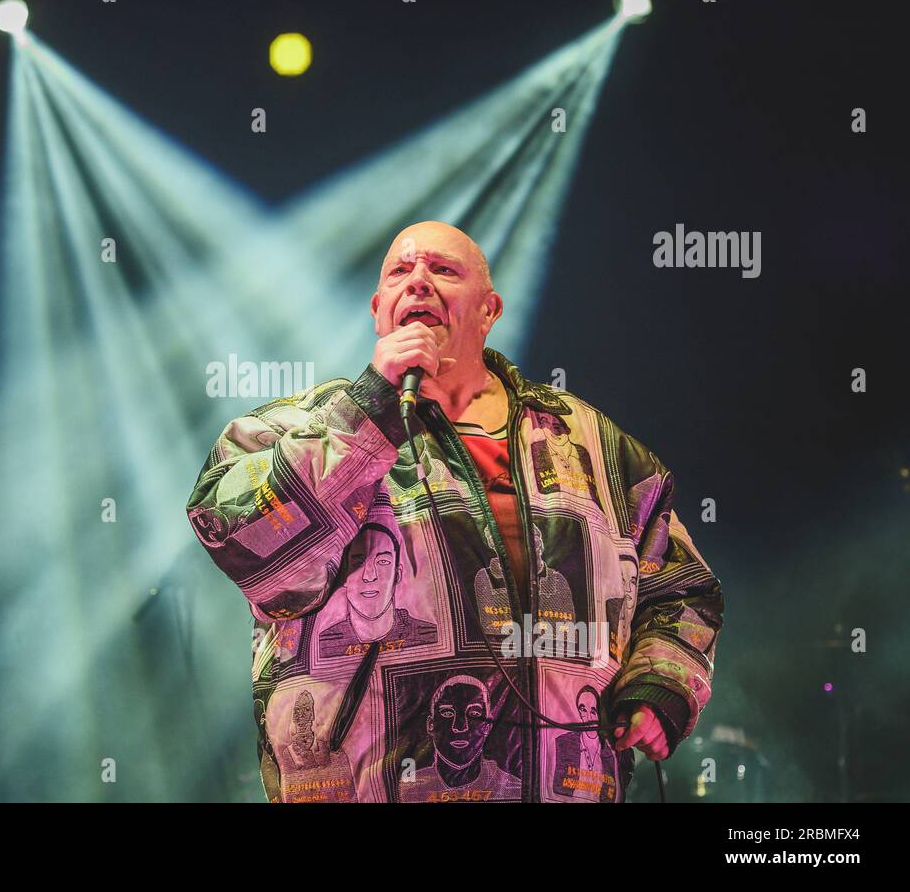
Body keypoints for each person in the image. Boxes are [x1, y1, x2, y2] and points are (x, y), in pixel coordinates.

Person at [186, 221, 725, 802]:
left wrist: (659, 685)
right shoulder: (297, 427)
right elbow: (244, 543)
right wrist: (369, 408)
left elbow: (680, 589)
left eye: (443, 270)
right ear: (377, 309)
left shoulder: (589, 442)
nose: (418, 282)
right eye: (400, 272)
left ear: (489, 310)